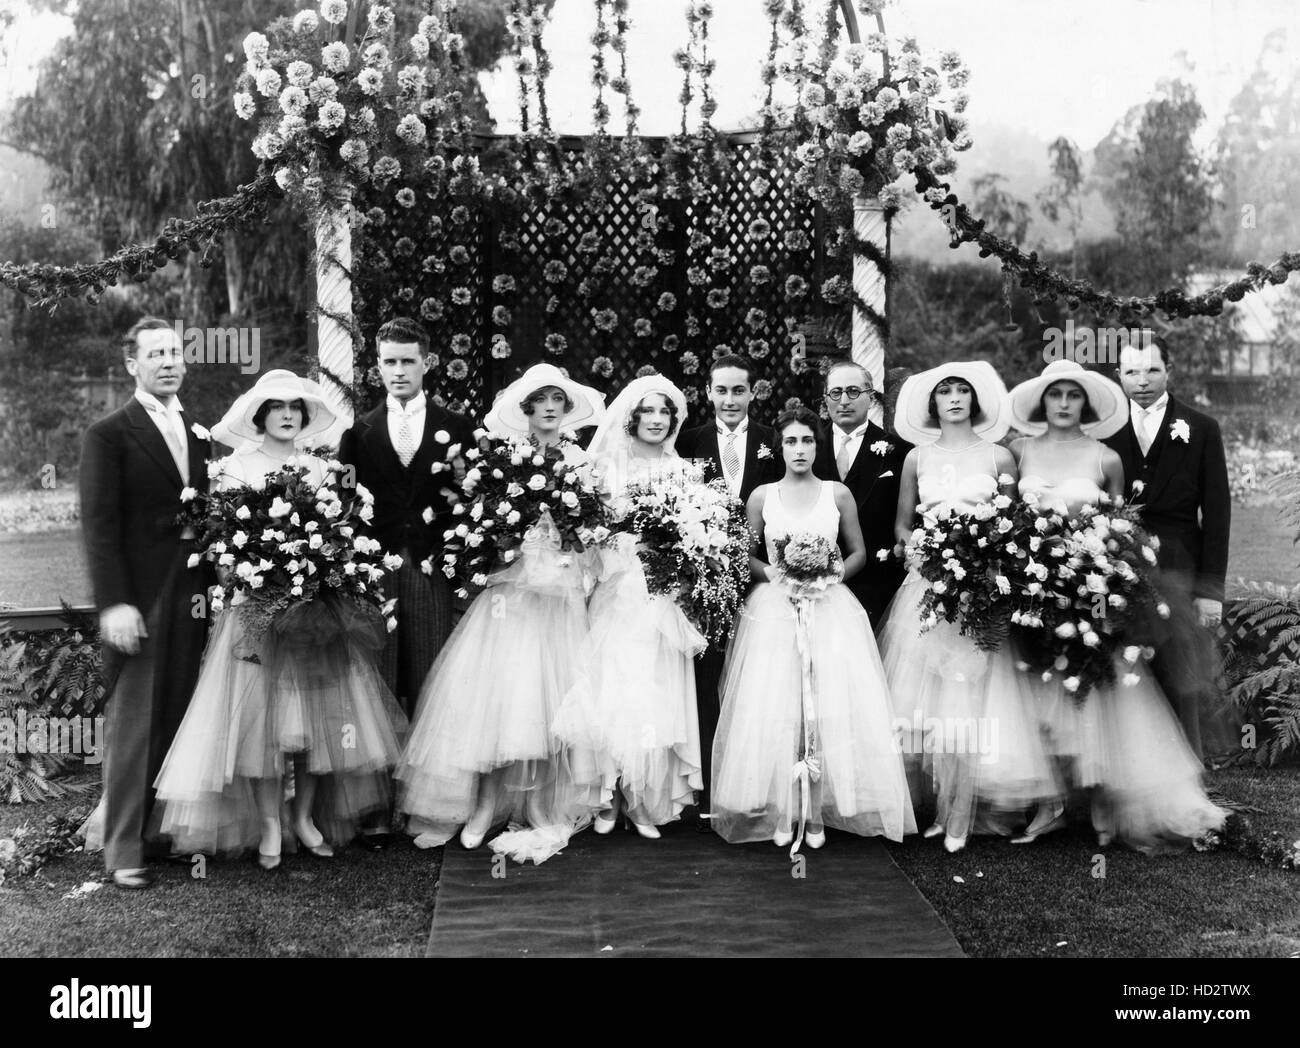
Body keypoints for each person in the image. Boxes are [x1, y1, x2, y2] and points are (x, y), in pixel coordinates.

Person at [152, 371, 407, 868]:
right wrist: (251, 577)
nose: (289, 415)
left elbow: (339, 536)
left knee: (319, 723)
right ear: (260, 415)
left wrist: (328, 571)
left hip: (314, 614)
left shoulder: (319, 470)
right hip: (256, 613)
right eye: (278, 407)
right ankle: (269, 822)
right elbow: (223, 544)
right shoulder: (234, 468)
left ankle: (304, 817)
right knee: (262, 728)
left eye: (297, 408)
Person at [1008, 360, 1227, 850]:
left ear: (1085, 402)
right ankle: (1051, 803)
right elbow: (1010, 519)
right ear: (1042, 402)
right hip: (1034, 588)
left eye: (1073, 395)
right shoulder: (1018, 452)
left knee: (1097, 687)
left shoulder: (1106, 457)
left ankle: (1106, 797)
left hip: (1092, 589)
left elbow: (1121, 525)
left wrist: (1102, 573)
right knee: (1038, 687)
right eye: (1055, 395)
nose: (1064, 404)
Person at [395, 364, 606, 857]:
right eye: (541, 400)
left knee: (553, 705)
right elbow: (484, 524)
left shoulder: (581, 461)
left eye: (558, 399)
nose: (550, 407)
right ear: (527, 409)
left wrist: (567, 534)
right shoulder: (505, 459)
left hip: (560, 600)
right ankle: (486, 805)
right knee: (500, 701)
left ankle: (540, 807)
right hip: (512, 597)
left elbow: (594, 532)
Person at [877, 361, 1063, 853]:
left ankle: (964, 812)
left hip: (980, 593)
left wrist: (982, 558)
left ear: (975, 400)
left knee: (972, 700)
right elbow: (901, 523)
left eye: (962, 391)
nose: (955, 398)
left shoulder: (999, 457)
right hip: (927, 590)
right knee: (932, 702)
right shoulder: (917, 458)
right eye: (945, 392)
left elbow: (1012, 525)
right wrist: (917, 547)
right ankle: (941, 808)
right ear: (932, 403)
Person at [710, 406, 916, 849]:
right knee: (781, 709)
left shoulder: (837, 493)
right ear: (779, 448)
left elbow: (858, 550)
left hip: (829, 609)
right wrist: (779, 575)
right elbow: (746, 557)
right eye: (791, 442)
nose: (800, 449)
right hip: (775, 611)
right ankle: (785, 807)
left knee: (825, 709)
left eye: (807, 441)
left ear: (816, 446)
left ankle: (818, 811)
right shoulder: (762, 496)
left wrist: (829, 575)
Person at [79, 317, 213, 890]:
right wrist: (115, 604)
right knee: (135, 721)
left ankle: (160, 833)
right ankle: (123, 849)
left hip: (195, 589)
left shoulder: (200, 432)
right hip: (143, 593)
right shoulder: (109, 433)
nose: (168, 361)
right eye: (155, 353)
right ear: (132, 364)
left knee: (181, 713)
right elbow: (100, 528)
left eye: (175, 351)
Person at [338, 318, 473, 845]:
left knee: (432, 679)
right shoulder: (359, 432)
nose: (398, 371)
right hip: (379, 572)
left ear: (427, 363)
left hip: (432, 569)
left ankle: (430, 800)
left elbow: (471, 501)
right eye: (389, 362)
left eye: (407, 361)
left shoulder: (458, 427)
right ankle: (376, 805)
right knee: (378, 681)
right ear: (378, 367)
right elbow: (347, 510)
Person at [552, 374, 703, 838]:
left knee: (654, 693)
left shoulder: (685, 471)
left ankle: (644, 800)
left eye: (664, 412)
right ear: (631, 418)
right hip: (617, 589)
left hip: (662, 597)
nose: (656, 420)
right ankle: (606, 798)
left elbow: (695, 537)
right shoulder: (604, 467)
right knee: (612, 688)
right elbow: (588, 532)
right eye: (647, 411)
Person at [1103, 340, 1231, 760]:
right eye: (1132, 372)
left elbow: (1216, 514)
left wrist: (1210, 591)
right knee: (1122, 671)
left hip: (1180, 570)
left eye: (1152, 371)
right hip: (1116, 569)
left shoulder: (1202, 428)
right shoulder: (1102, 433)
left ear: (1168, 371)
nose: (1142, 381)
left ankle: (1187, 777)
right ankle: (1133, 776)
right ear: (1118, 376)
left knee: (1179, 674)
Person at [674, 353, 779, 822]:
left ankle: (754, 780)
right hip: (705, 577)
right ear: (709, 393)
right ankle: (709, 784)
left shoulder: (774, 442)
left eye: (739, 390)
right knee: (706, 675)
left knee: (756, 678)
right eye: (722, 390)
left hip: (762, 577)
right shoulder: (689, 440)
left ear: (753, 393)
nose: (730, 399)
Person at [812, 359, 912, 628]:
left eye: (854, 392)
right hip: (815, 586)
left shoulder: (900, 452)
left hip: (877, 586)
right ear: (826, 399)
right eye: (836, 393)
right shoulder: (806, 449)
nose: (844, 400)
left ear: (871, 398)